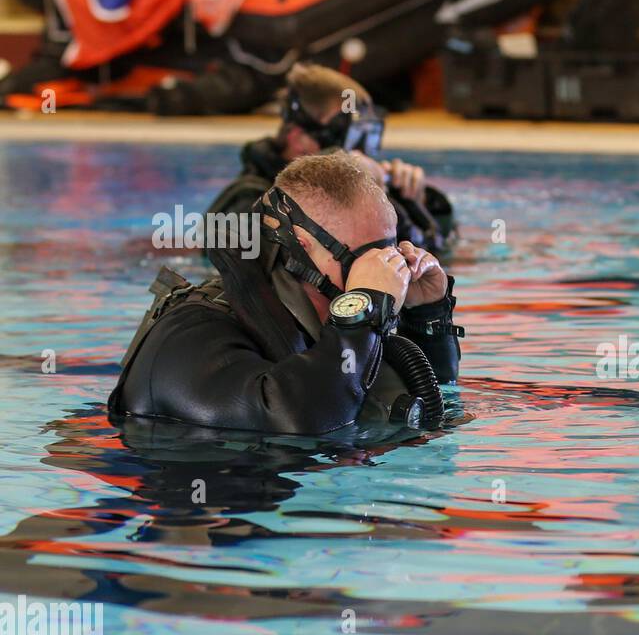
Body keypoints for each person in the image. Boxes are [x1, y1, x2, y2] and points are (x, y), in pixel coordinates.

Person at [111, 152, 462, 435]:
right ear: (302, 248)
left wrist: (426, 313)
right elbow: (299, 421)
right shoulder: (192, 336)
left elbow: (436, 393)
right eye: (364, 257)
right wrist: (365, 307)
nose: (383, 269)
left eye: (389, 252)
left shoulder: (318, 326)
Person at [207, 63, 457, 254]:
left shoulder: (351, 191)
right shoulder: (246, 201)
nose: (361, 152)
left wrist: (418, 201)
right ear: (298, 138)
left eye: (367, 137)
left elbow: (436, 252)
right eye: (349, 138)